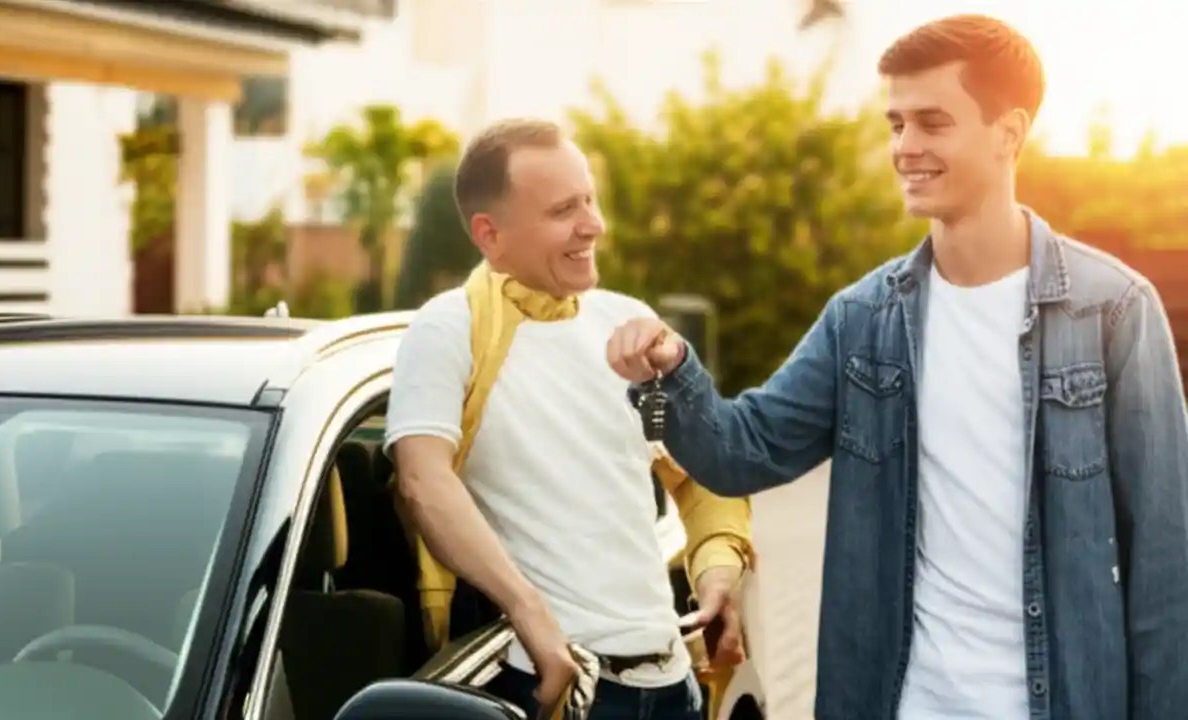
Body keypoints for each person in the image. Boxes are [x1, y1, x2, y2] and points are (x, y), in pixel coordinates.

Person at [608, 13, 1188, 720]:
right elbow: (743, 453)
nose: (905, 147)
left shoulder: (1114, 312)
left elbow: (1166, 563)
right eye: (895, 124)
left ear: (1009, 134)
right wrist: (670, 368)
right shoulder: (862, 320)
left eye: (932, 122)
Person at [384, 118, 754, 720]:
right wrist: (530, 613)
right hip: (566, 690)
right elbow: (423, 480)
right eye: (563, 210)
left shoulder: (626, 322)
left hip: (675, 686)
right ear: (489, 233)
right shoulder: (449, 327)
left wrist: (717, 573)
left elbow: (702, 474)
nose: (594, 225)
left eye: (590, 199)